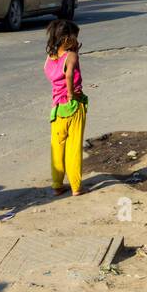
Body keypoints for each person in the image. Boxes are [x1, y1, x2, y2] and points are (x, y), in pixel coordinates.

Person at [44, 19, 88, 196]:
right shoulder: (71, 56)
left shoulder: (50, 57)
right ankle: (76, 186)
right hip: (73, 105)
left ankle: (57, 185)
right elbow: (69, 74)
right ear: (67, 39)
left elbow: (52, 73)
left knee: (57, 146)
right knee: (73, 146)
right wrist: (70, 93)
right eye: (75, 37)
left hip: (57, 107)